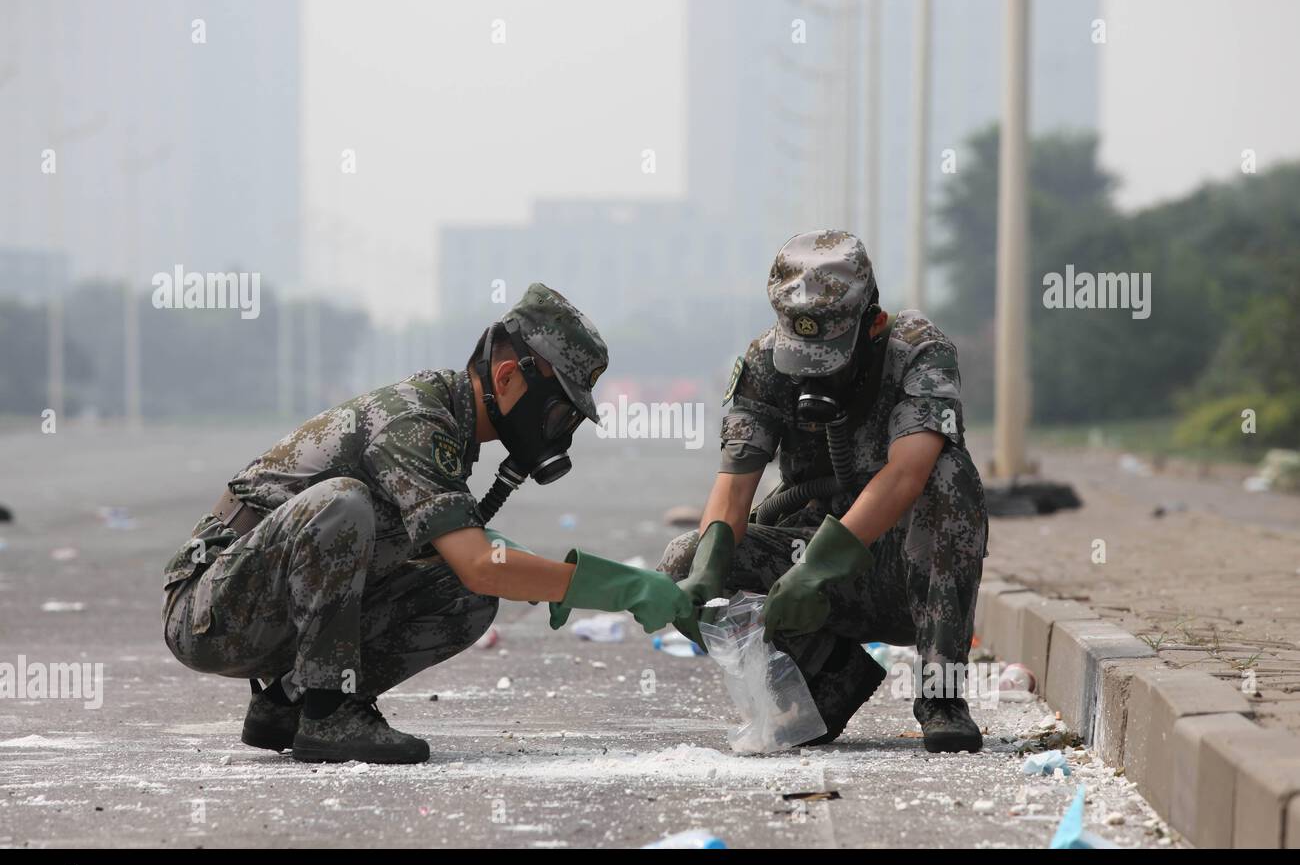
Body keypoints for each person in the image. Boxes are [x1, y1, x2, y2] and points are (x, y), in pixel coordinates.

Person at [162, 283, 692, 764]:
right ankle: (329, 711)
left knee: (464, 596)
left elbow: (472, 568)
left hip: (262, 607)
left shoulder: (450, 429)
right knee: (344, 505)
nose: (560, 430)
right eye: (558, 412)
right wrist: (619, 587)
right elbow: (483, 564)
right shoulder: (417, 420)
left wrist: (531, 573)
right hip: (211, 610)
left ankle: (286, 704)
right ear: (507, 377)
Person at [659, 231, 989, 752]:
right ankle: (829, 680)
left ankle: (941, 693)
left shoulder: (916, 349)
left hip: (905, 571)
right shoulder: (764, 364)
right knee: (683, 560)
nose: (816, 374)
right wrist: (705, 573)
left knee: (948, 475)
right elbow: (735, 482)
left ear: (872, 322)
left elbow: (908, 472)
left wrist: (818, 567)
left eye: (830, 356)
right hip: (807, 569)